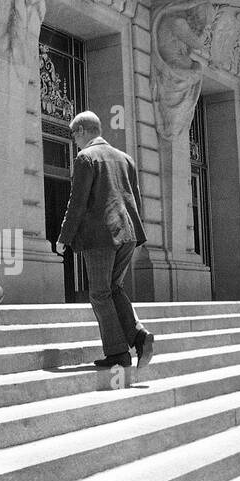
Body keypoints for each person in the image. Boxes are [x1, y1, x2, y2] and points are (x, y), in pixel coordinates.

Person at [56, 112, 154, 371]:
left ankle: (118, 352)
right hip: (128, 233)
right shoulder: (126, 158)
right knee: (114, 288)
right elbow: (135, 200)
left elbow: (77, 203)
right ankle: (139, 336)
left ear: (82, 131)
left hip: (101, 236)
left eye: (74, 134)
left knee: (100, 294)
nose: (74, 140)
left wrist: (64, 237)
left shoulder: (85, 157)